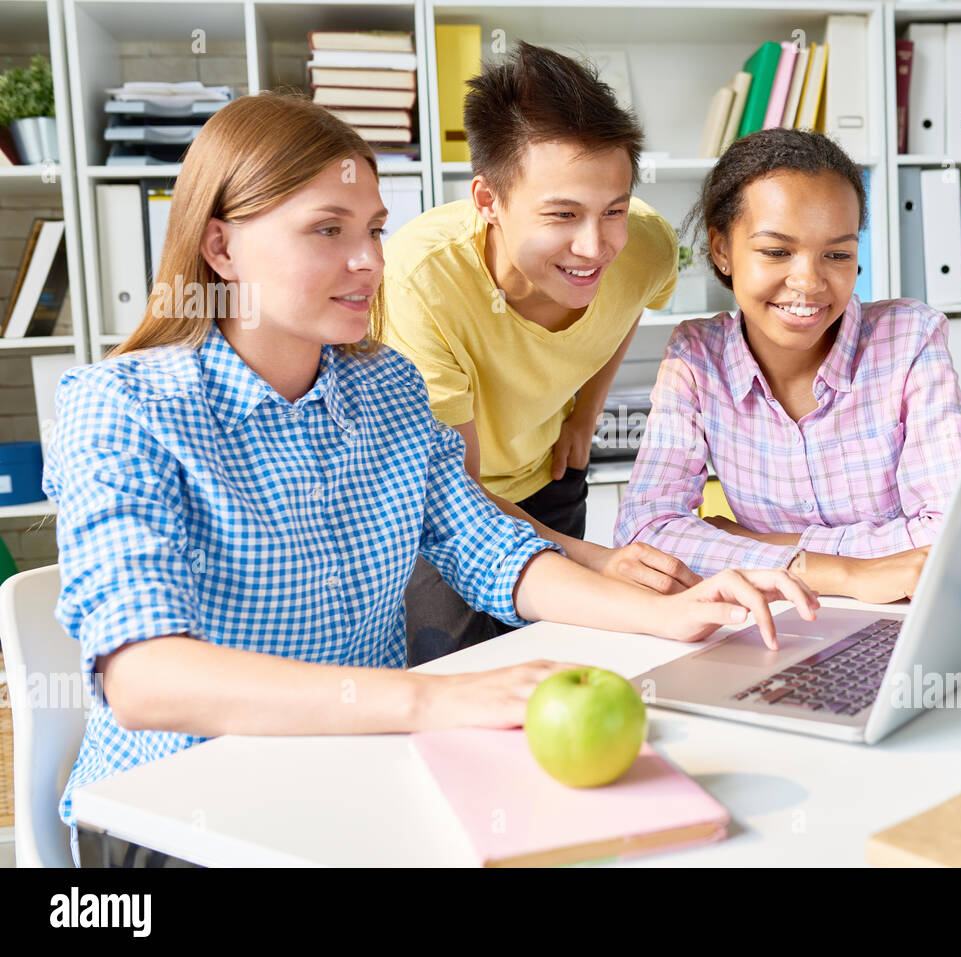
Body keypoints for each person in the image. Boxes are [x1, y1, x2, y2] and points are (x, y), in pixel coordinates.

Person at [44, 94, 818, 862]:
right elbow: (143, 676)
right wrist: (433, 698)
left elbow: (494, 551)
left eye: (374, 230)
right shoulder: (122, 408)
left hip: (361, 775)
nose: (369, 262)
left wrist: (673, 612)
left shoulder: (386, 387)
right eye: (327, 230)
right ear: (221, 247)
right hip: (179, 811)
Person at [382, 42, 700, 665]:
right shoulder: (424, 279)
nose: (594, 247)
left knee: (559, 666)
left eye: (612, 210)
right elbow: (460, 496)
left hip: (550, 476)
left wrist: (586, 414)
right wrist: (598, 563)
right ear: (487, 202)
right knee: (462, 678)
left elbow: (629, 304)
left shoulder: (644, 246)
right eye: (563, 214)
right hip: (444, 506)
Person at [615, 128, 961, 602]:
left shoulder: (908, 339)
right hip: (772, 624)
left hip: (903, 620)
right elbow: (644, 534)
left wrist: (759, 545)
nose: (808, 282)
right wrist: (844, 574)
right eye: (777, 251)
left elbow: (958, 536)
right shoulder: (696, 358)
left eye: (837, 254)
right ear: (723, 249)